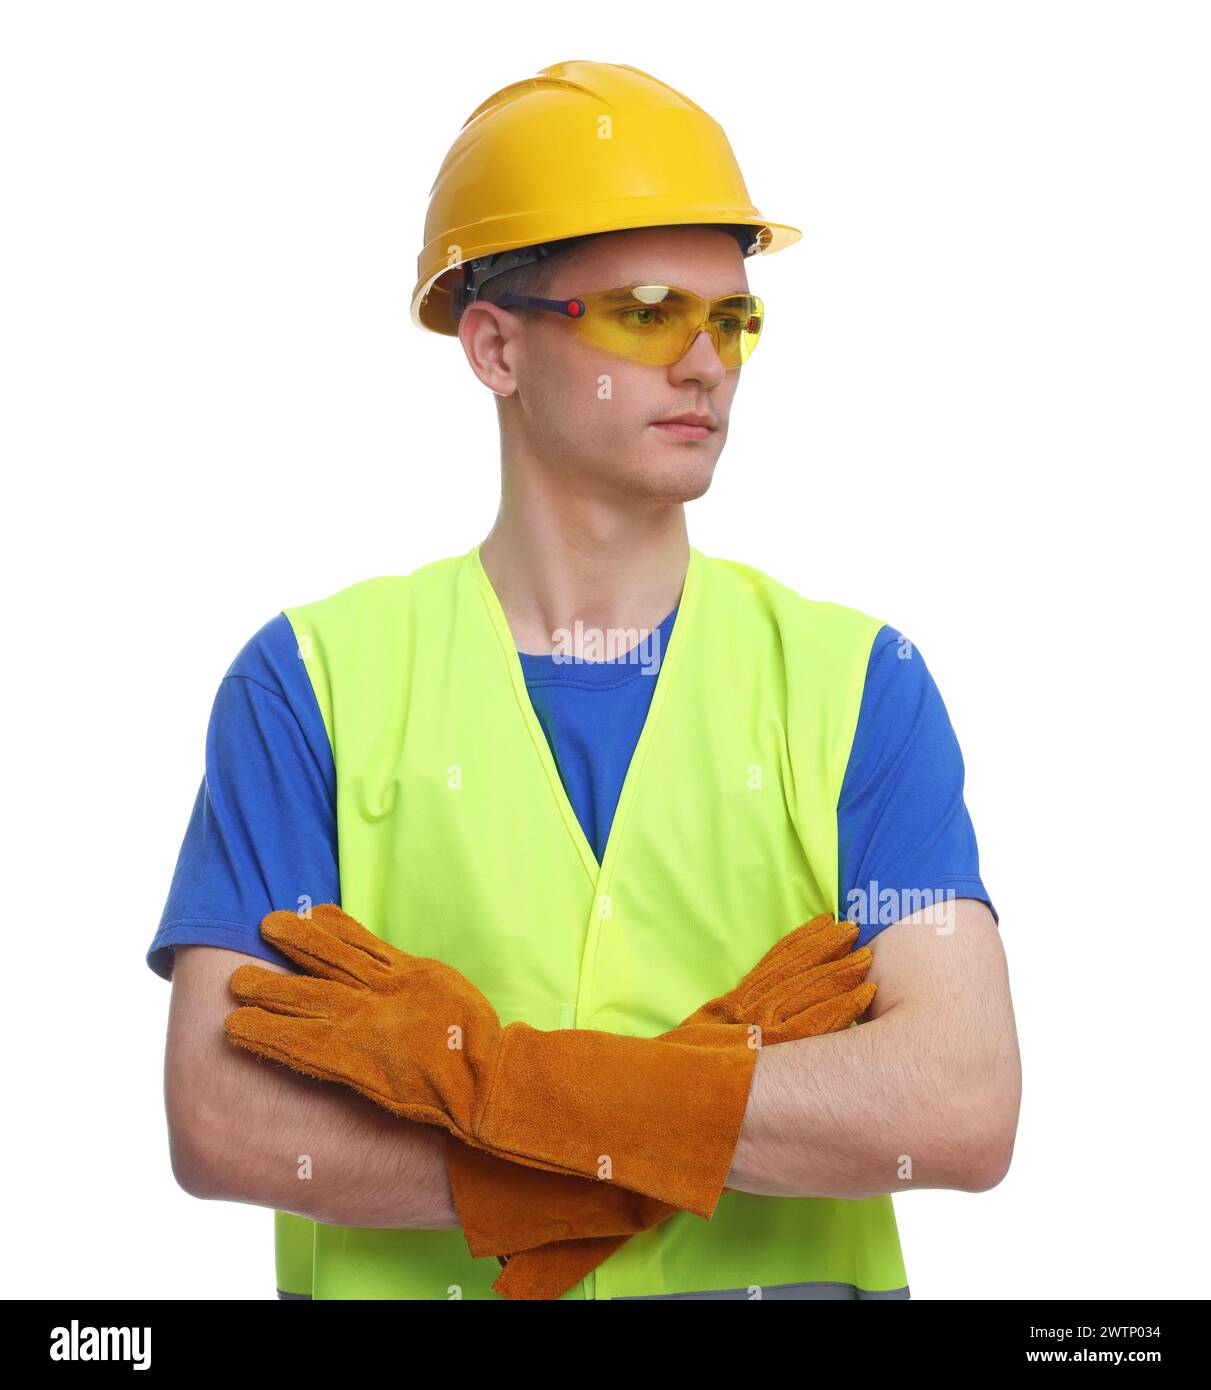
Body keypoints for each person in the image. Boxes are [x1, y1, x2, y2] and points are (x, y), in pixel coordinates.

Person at [148, 59, 1020, 1301]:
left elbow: (958, 1099)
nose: (706, 362)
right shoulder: (311, 683)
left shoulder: (854, 684)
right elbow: (224, 1118)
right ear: (495, 347)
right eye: (648, 309)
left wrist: (492, 1086)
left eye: (730, 319)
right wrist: (709, 1100)